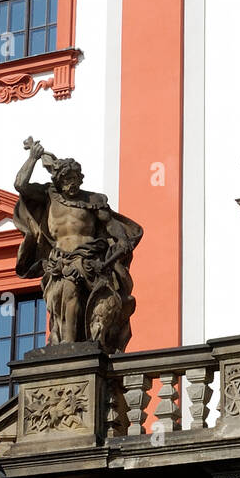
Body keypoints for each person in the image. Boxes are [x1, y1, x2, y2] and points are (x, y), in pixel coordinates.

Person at [14, 138, 143, 350]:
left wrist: (120, 244)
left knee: (82, 297)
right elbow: (20, 184)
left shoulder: (93, 201)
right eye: (66, 179)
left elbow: (115, 230)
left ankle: (69, 345)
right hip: (60, 260)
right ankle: (66, 345)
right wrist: (33, 158)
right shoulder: (48, 197)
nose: (71, 183)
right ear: (58, 180)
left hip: (89, 259)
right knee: (62, 297)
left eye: (75, 178)